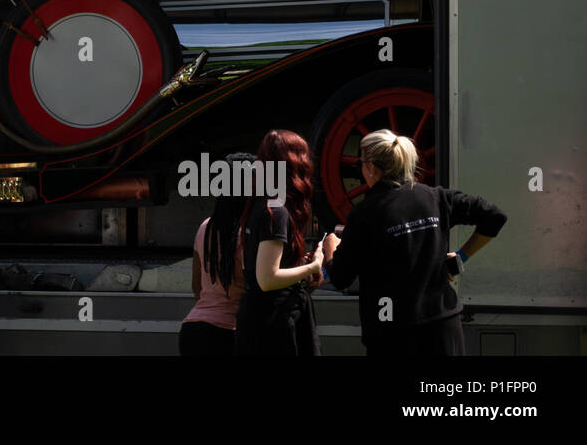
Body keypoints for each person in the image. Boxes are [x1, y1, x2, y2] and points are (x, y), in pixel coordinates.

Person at [322, 129, 506, 356]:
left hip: (393, 335)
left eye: (361, 164)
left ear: (371, 168)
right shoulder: (436, 197)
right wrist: (461, 256)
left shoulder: (364, 214)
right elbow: (495, 216)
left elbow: (340, 278)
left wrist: (330, 250)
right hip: (444, 326)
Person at [235, 130, 324, 356]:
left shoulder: (259, 204)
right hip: (277, 320)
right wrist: (313, 266)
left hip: (257, 317)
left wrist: (296, 264)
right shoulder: (276, 211)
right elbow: (267, 279)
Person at [179, 152, 254, 356]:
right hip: (230, 332)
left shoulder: (205, 227)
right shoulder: (248, 233)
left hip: (193, 329)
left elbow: (197, 286)